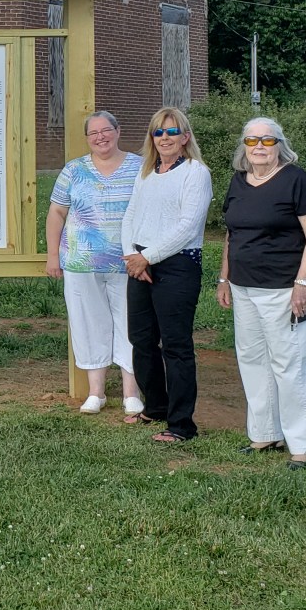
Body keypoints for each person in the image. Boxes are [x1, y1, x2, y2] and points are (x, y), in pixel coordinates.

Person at [216, 117, 306, 470]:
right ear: (244, 146)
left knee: (290, 363)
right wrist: (224, 278)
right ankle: (264, 433)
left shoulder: (296, 180)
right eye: (252, 141)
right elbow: (232, 234)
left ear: (280, 144)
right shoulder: (238, 181)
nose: (259, 147)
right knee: (252, 360)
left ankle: (302, 445)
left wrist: (302, 284)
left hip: (283, 288)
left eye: (267, 140)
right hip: (243, 286)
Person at [120, 106, 212, 445]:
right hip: (140, 263)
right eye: (158, 132)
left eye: (172, 132)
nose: (164, 138)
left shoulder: (196, 172)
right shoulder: (146, 172)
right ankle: (155, 406)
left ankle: (181, 424)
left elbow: (188, 226)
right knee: (141, 339)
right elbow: (130, 215)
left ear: (185, 137)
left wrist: (148, 257)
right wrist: (133, 256)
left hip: (178, 264)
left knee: (175, 345)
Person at [45, 111, 144, 415]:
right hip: (81, 262)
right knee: (88, 323)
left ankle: (131, 392)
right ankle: (96, 392)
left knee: (131, 324)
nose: (101, 137)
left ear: (118, 131)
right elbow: (57, 212)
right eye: (93, 133)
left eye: (106, 130)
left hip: (129, 263)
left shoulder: (140, 167)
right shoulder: (74, 170)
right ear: (87, 138)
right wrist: (52, 255)